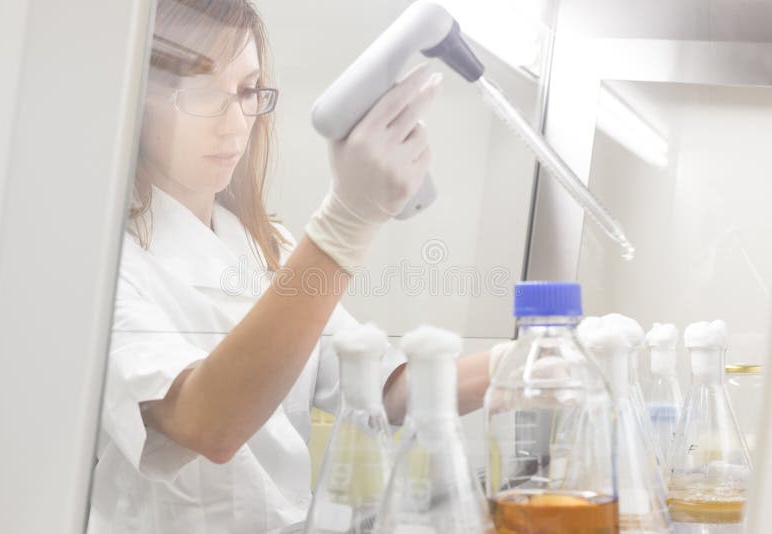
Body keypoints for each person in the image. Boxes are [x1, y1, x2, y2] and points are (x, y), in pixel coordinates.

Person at [87, 1, 492, 532]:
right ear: (138, 97)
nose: (237, 123)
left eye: (248, 90)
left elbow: (384, 389)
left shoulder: (264, 244)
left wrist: (522, 364)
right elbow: (208, 421)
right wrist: (344, 224)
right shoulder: (102, 266)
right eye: (206, 91)